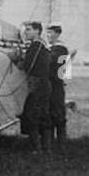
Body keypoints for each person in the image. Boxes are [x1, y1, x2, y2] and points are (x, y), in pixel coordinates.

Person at [13, 21, 53, 152]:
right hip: (45, 85)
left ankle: (37, 148)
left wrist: (16, 58)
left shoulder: (35, 47)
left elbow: (26, 66)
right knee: (43, 116)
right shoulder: (44, 46)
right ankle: (47, 148)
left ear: (37, 31)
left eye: (29, 30)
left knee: (31, 116)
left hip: (36, 85)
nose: (26, 32)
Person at [46, 24, 73, 147]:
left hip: (55, 84)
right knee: (53, 113)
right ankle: (56, 142)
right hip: (57, 84)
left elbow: (51, 64)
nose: (48, 36)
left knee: (56, 114)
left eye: (50, 33)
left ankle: (59, 143)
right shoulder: (59, 49)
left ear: (57, 33)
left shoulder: (58, 49)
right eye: (47, 33)